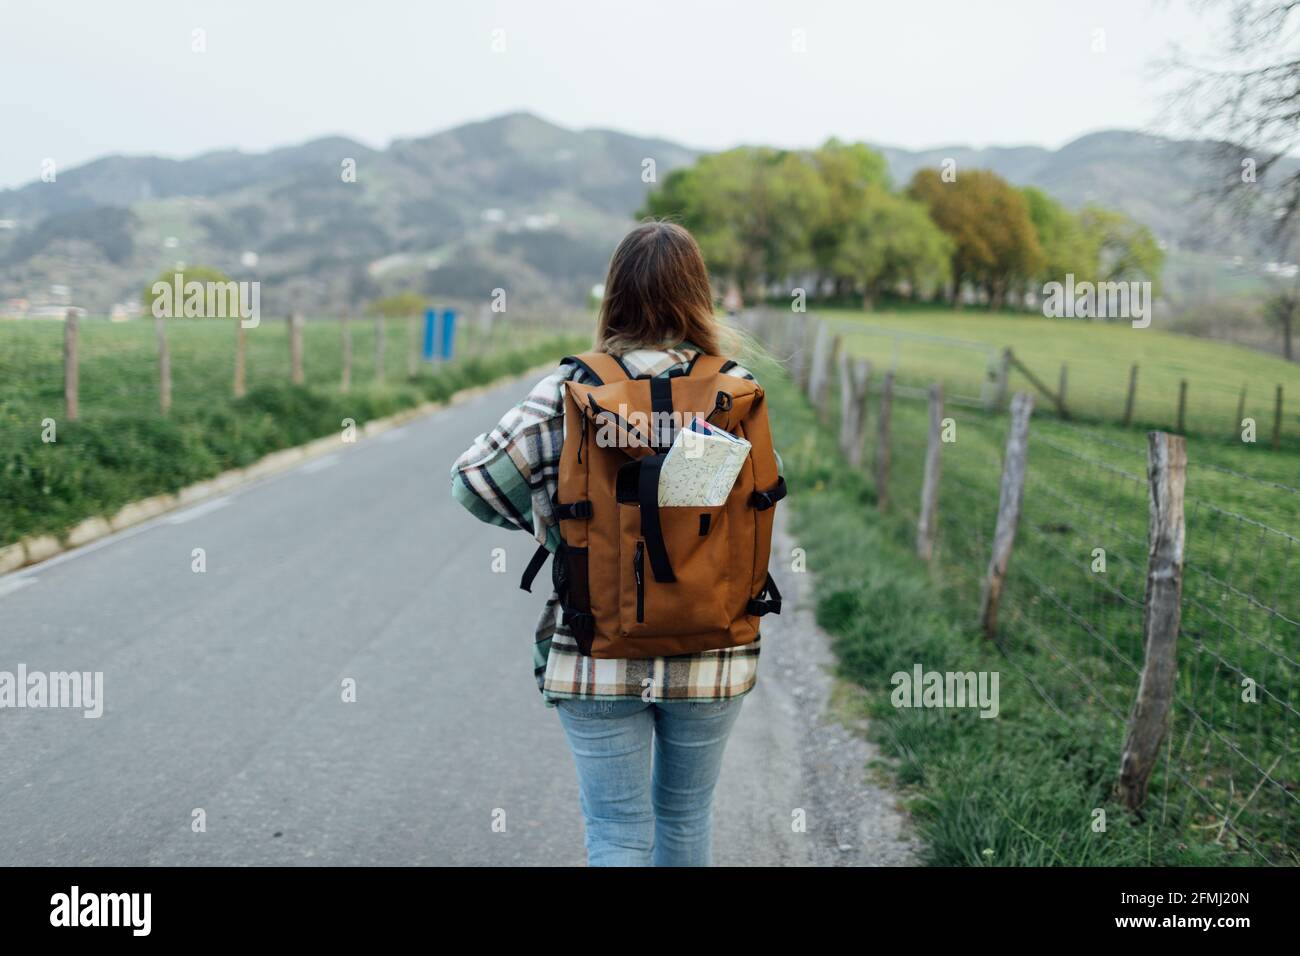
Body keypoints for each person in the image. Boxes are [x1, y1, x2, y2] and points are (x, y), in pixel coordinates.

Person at [450, 220, 778, 866]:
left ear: (614, 297)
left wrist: (558, 524)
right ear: (699, 296)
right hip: (714, 648)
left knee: (617, 833)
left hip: (595, 646)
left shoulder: (571, 392)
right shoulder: (732, 393)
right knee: (686, 819)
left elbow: (472, 483)